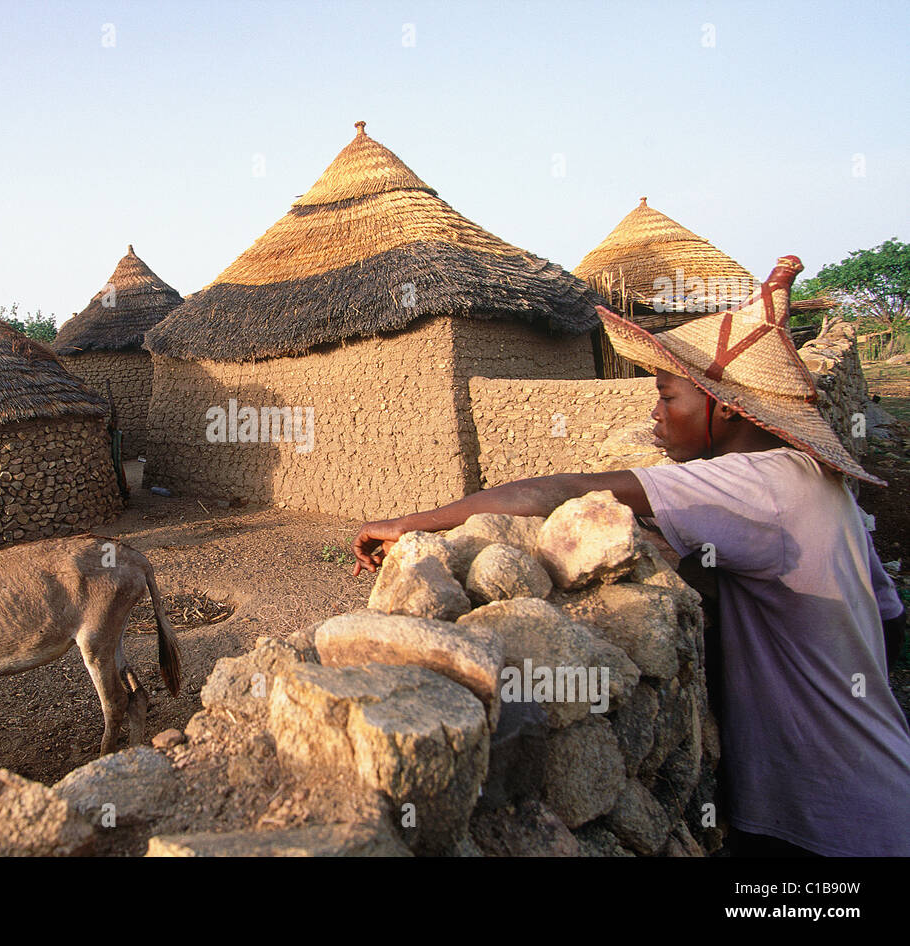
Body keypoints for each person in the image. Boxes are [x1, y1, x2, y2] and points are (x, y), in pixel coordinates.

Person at [351, 256, 909, 857]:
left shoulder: (756, 483)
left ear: (723, 407)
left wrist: (410, 523)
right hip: (879, 780)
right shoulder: (816, 481)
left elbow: (564, 490)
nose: (655, 414)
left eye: (668, 396)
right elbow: (889, 617)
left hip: (828, 827)